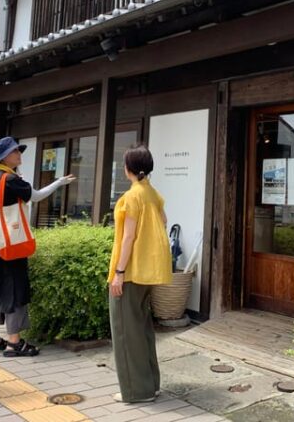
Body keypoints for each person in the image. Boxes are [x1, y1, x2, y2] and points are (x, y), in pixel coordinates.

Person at [0, 136, 75, 356]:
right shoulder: (11, 180)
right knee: (15, 289)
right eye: (16, 152)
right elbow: (37, 196)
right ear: (5, 157)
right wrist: (59, 182)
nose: (19, 155)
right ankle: (14, 342)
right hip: (11, 242)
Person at [108, 145, 172, 403]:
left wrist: (119, 272)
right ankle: (150, 384)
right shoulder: (152, 194)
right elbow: (164, 221)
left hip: (131, 271)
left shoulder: (131, 197)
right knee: (143, 329)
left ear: (128, 169)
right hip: (148, 272)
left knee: (125, 331)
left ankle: (137, 391)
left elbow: (128, 238)